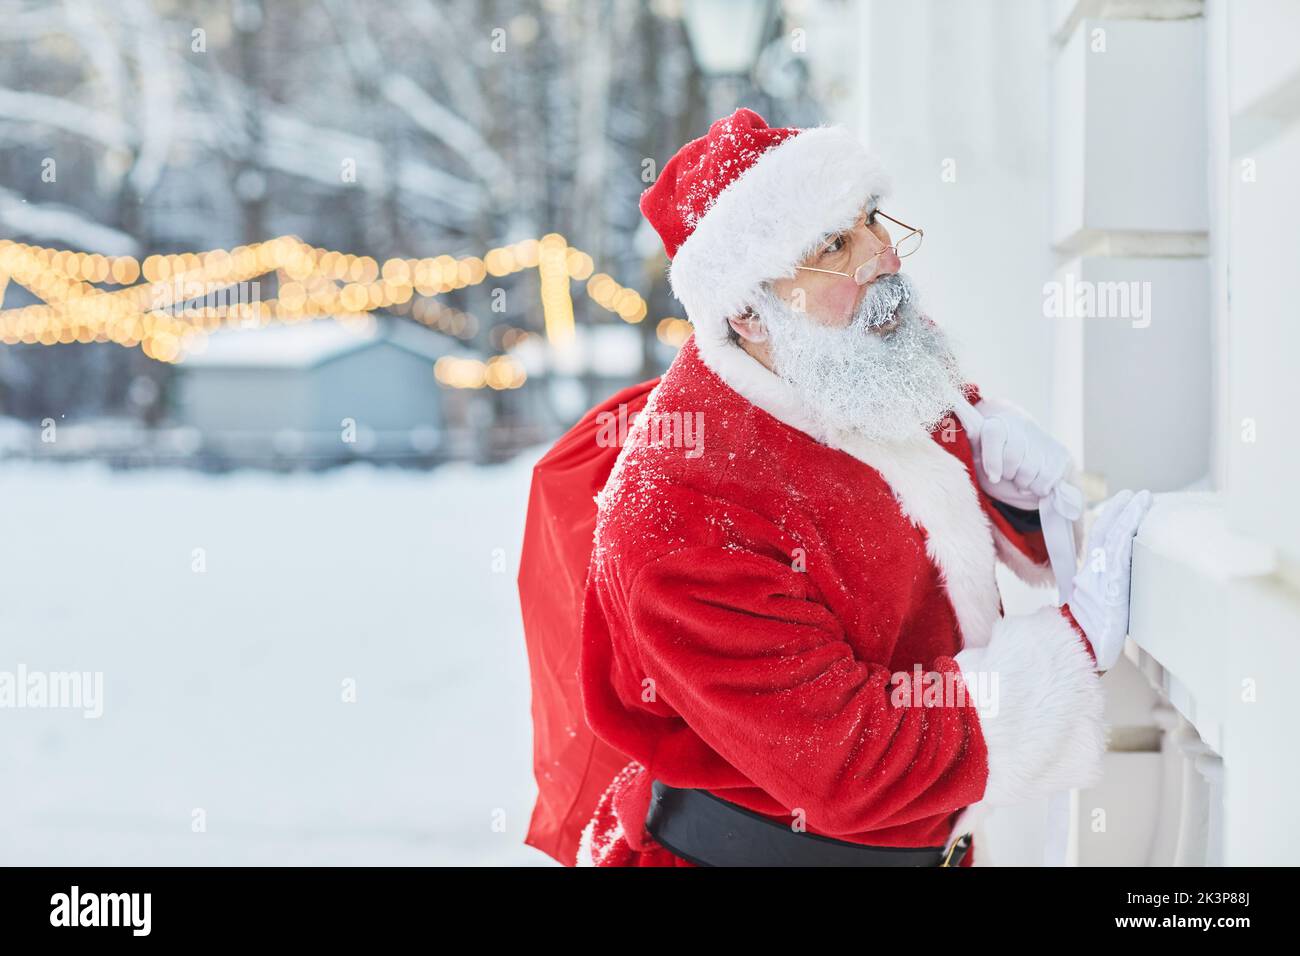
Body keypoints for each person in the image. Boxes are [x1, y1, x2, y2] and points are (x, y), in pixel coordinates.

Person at [576, 107, 1153, 867]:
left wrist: (1004, 489)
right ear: (747, 312)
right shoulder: (682, 512)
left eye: (870, 220)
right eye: (833, 245)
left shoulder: (838, 348)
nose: (883, 254)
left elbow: (920, 460)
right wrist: (1067, 650)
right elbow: (853, 757)